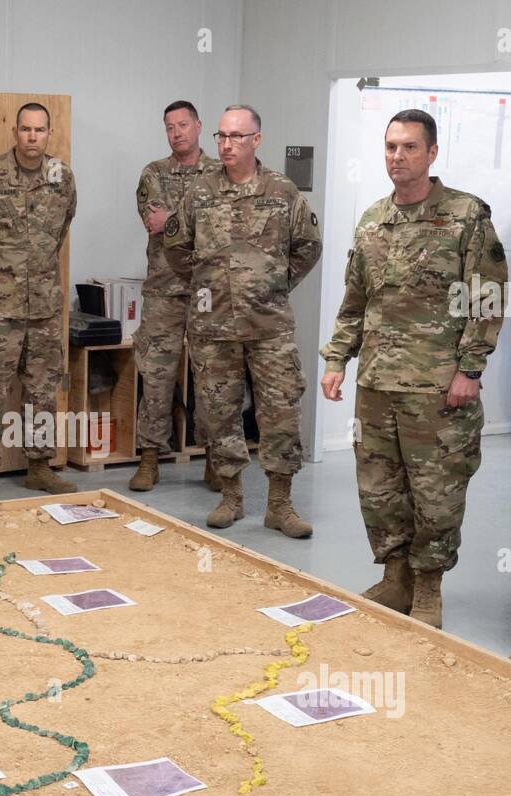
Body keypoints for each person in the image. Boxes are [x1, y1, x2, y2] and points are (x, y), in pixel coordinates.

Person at [320, 109, 507, 627]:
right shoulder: (373, 219)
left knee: (437, 493)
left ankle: (429, 587)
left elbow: (487, 298)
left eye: (408, 147)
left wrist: (470, 369)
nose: (397, 157)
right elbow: (355, 300)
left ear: (432, 153)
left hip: (437, 388)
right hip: (377, 383)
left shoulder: (465, 215)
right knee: (379, 489)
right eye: (390, 147)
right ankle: (396, 575)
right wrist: (338, 358)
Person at [163, 105, 322, 535]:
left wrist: (271, 286)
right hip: (213, 327)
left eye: (236, 136)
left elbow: (308, 246)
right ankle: (231, 497)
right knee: (219, 412)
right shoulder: (199, 192)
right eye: (221, 136)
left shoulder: (282, 191)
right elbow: (176, 247)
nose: (226, 144)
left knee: (281, 412)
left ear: (257, 140)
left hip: (269, 327)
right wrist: (208, 284)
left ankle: (280, 505)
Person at [0, 103, 78, 503]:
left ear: (49, 133)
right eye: (25, 129)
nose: (32, 137)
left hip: (43, 303)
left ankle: (39, 468)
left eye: (40, 130)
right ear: (14, 131)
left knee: (42, 390)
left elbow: (61, 229)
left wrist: (34, 268)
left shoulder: (62, 178)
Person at [129, 99, 222, 493]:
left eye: (183, 125)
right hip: (164, 290)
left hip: (208, 291)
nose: (177, 132)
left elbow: (223, 228)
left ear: (199, 126)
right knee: (156, 374)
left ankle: (216, 459)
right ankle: (150, 457)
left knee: (214, 377)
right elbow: (154, 224)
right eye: (170, 127)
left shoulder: (221, 174)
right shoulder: (153, 173)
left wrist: (175, 219)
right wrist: (189, 220)